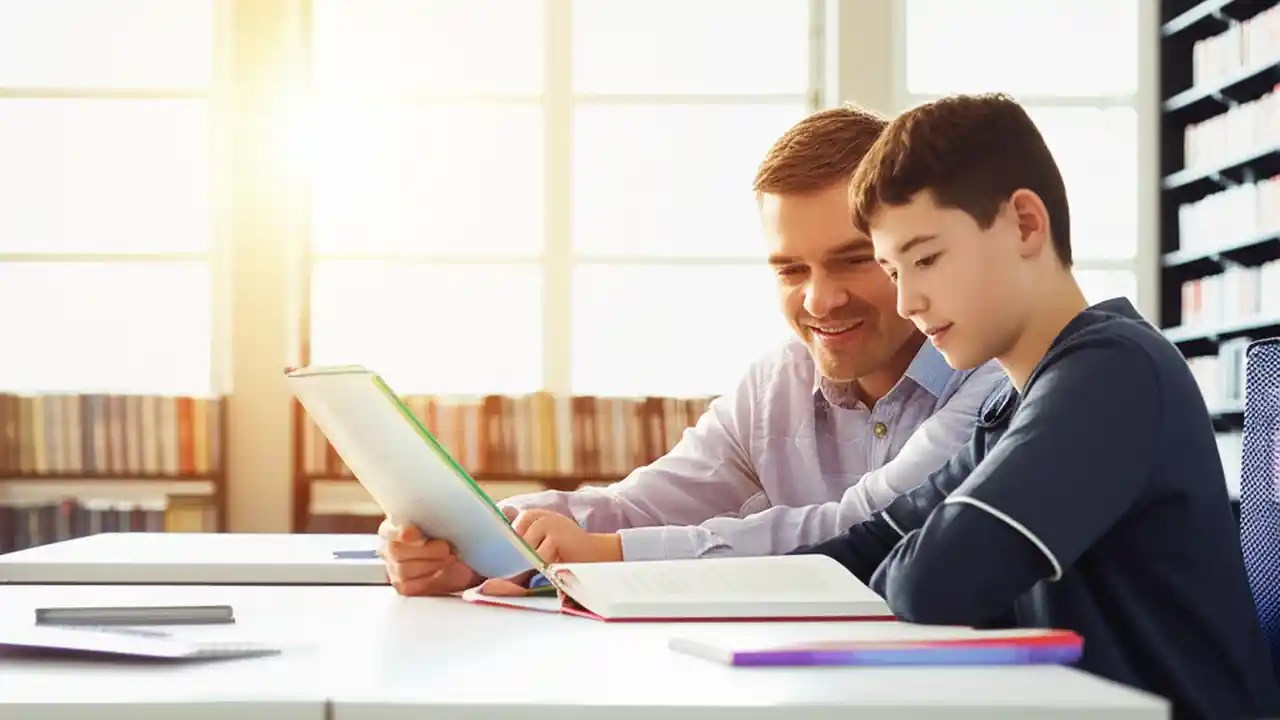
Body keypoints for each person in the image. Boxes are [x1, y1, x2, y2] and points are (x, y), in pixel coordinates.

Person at [379, 105, 1003, 597]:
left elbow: (865, 526)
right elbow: (636, 505)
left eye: (853, 260)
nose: (819, 301)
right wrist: (475, 538)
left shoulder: (990, 375)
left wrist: (609, 553)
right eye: (790, 270)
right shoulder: (775, 385)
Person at [798, 92, 1280, 718]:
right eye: (893, 272)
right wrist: (731, 587)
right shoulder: (1013, 404)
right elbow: (870, 543)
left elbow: (934, 582)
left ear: (1026, 223)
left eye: (926, 259)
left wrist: (876, 580)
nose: (907, 302)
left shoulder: (1113, 374)